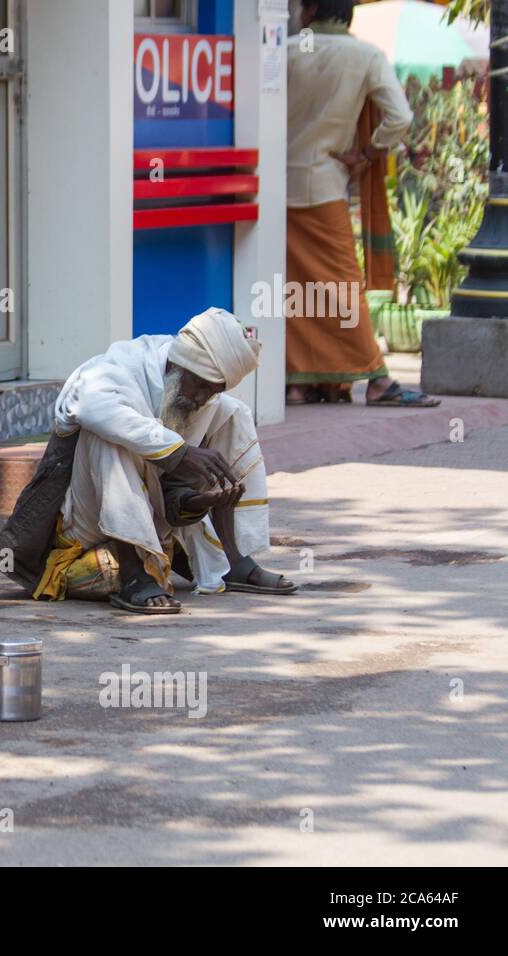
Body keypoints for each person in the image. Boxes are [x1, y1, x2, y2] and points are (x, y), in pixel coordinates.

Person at [32, 308, 296, 614]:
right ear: (178, 364)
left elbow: (166, 487)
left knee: (233, 412)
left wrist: (200, 500)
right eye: (199, 385)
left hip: (154, 516)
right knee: (106, 435)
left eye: (212, 390)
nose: (200, 398)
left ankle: (232, 560)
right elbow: (89, 407)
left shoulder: (198, 397)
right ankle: (132, 576)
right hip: (84, 517)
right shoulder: (119, 366)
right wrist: (182, 452)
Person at [285, 0, 438, 407]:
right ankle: (377, 379)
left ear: (312, 9)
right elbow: (400, 117)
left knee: (293, 290)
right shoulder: (365, 55)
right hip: (325, 185)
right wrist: (369, 154)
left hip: (274, 191)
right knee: (342, 287)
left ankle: (301, 383)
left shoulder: (284, 51)